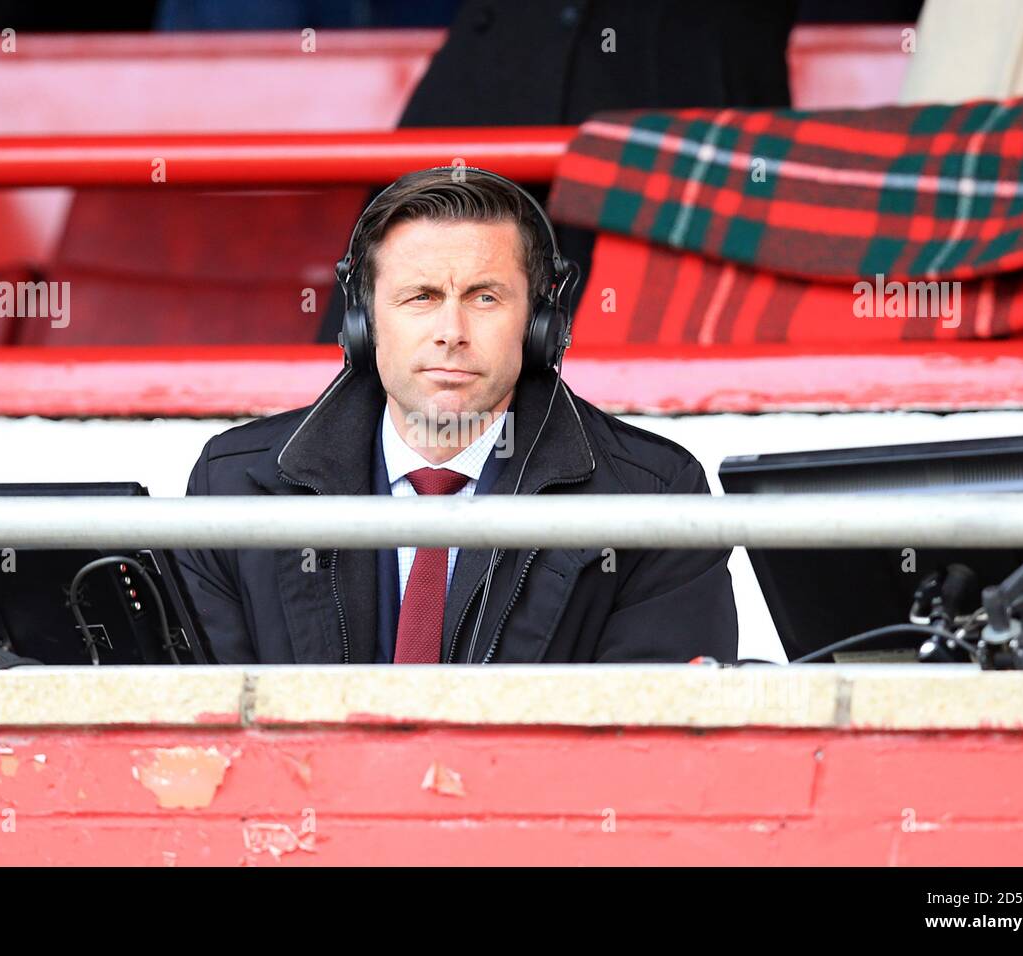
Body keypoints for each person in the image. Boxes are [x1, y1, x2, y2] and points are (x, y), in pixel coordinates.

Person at [175, 167, 738, 664]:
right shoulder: (232, 485)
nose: (452, 332)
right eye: (420, 297)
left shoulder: (654, 497)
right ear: (363, 323)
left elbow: (657, 752)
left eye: (484, 298)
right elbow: (200, 735)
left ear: (541, 324)